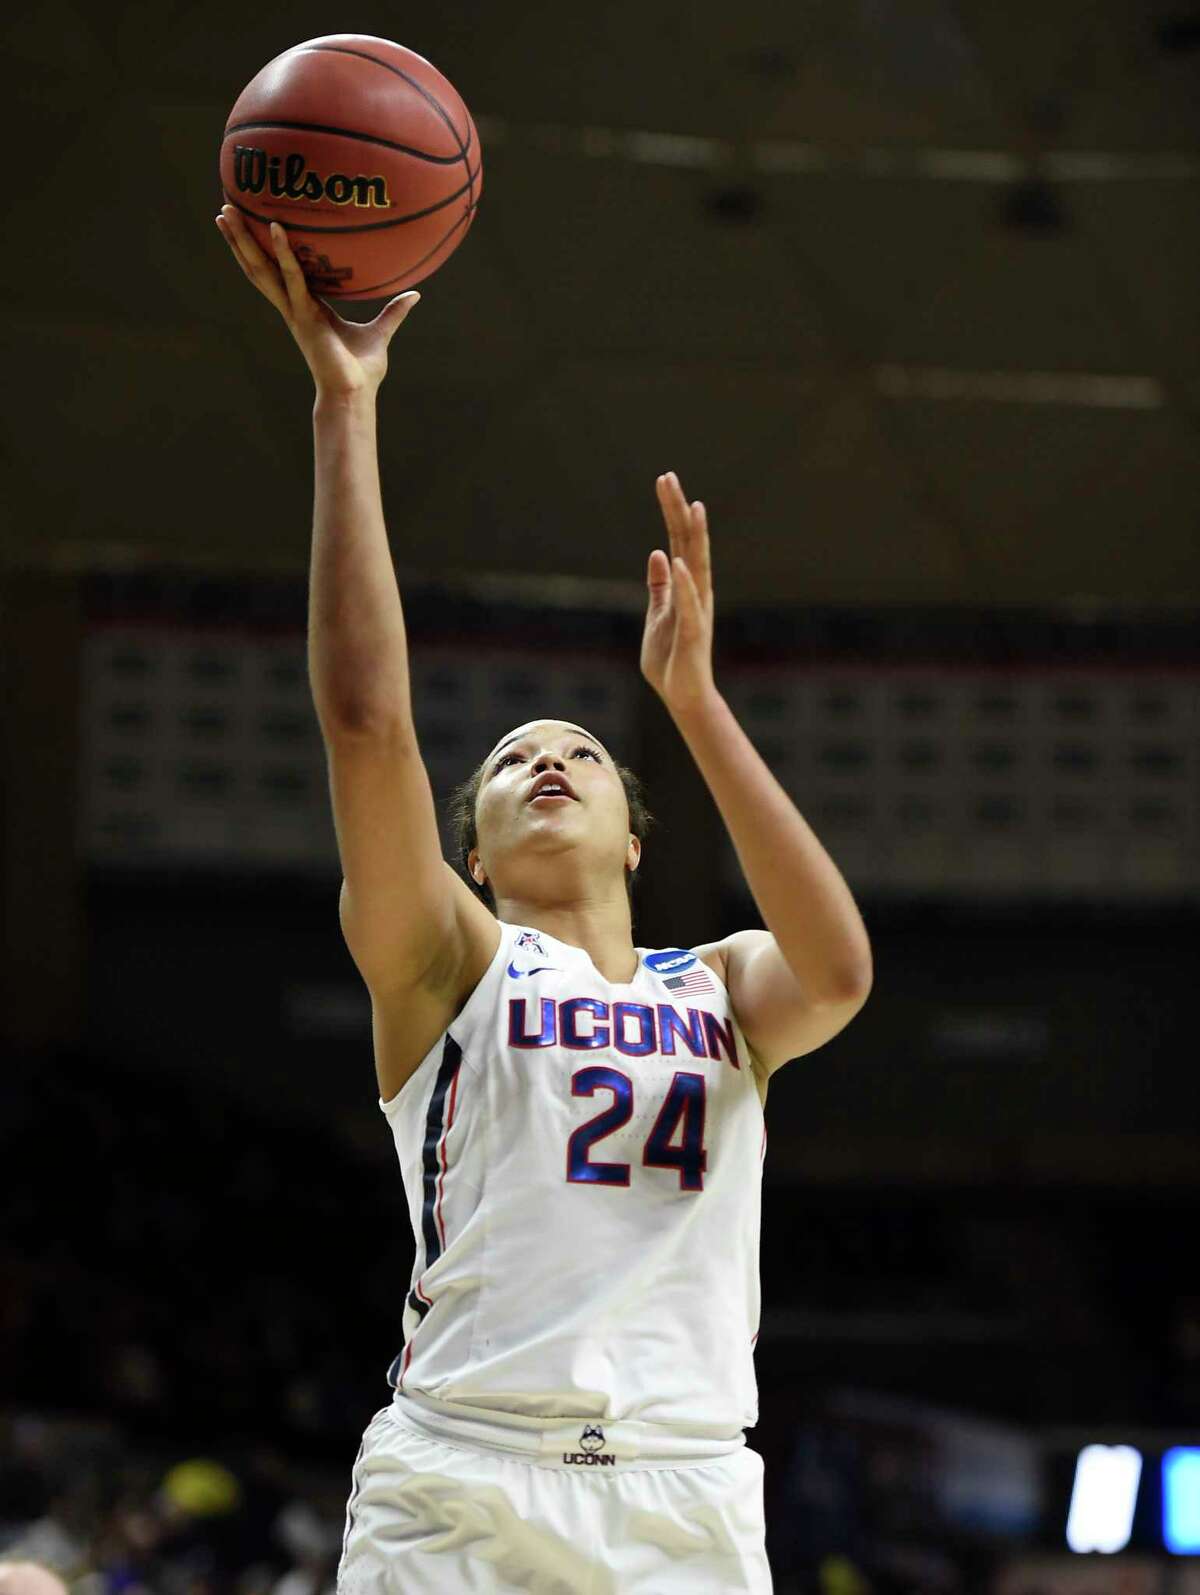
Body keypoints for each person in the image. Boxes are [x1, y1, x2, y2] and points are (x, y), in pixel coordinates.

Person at [215, 204, 874, 1595]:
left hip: (684, 1492)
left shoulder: (723, 990)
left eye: (580, 752)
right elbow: (365, 722)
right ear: (472, 854)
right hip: (464, 1480)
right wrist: (347, 407)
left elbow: (841, 971)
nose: (547, 760)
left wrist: (691, 704)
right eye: (512, 761)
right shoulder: (446, 967)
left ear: (637, 840)